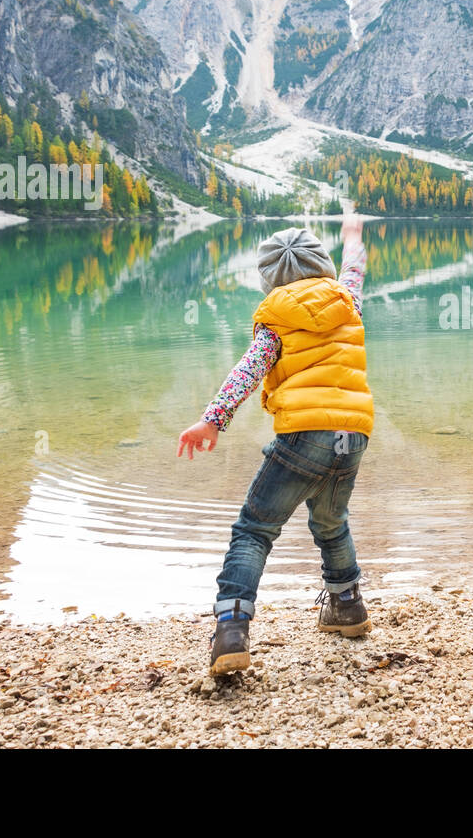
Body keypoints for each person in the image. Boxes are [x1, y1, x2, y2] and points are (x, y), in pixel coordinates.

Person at [177, 218, 373, 676]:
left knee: (255, 529)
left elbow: (247, 371)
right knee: (331, 521)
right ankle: (348, 607)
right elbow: (355, 271)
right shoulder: (347, 301)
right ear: (322, 265)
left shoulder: (275, 321)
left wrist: (212, 420)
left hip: (304, 435)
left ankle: (231, 629)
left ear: (269, 279)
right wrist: (353, 239)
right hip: (354, 435)